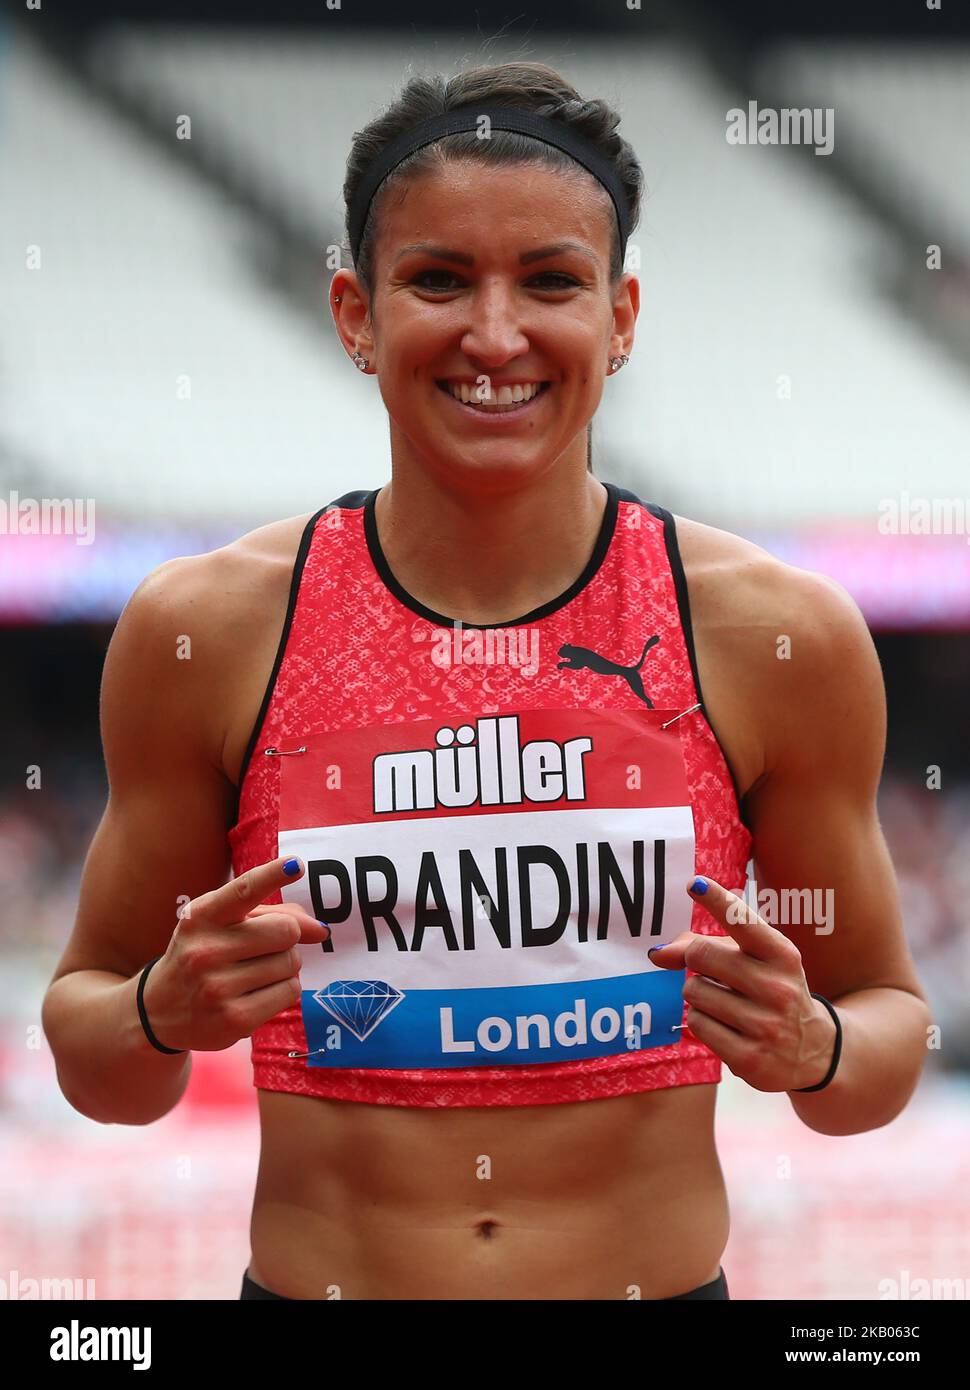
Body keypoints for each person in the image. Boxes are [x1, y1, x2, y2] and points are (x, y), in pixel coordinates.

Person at [42, 61, 931, 1302]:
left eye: (552, 282)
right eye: (439, 279)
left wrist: (814, 1042)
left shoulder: (774, 634)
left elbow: (885, 1031)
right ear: (355, 312)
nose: (497, 335)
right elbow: (99, 1061)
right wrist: (158, 1009)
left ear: (622, 317)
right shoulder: (209, 628)